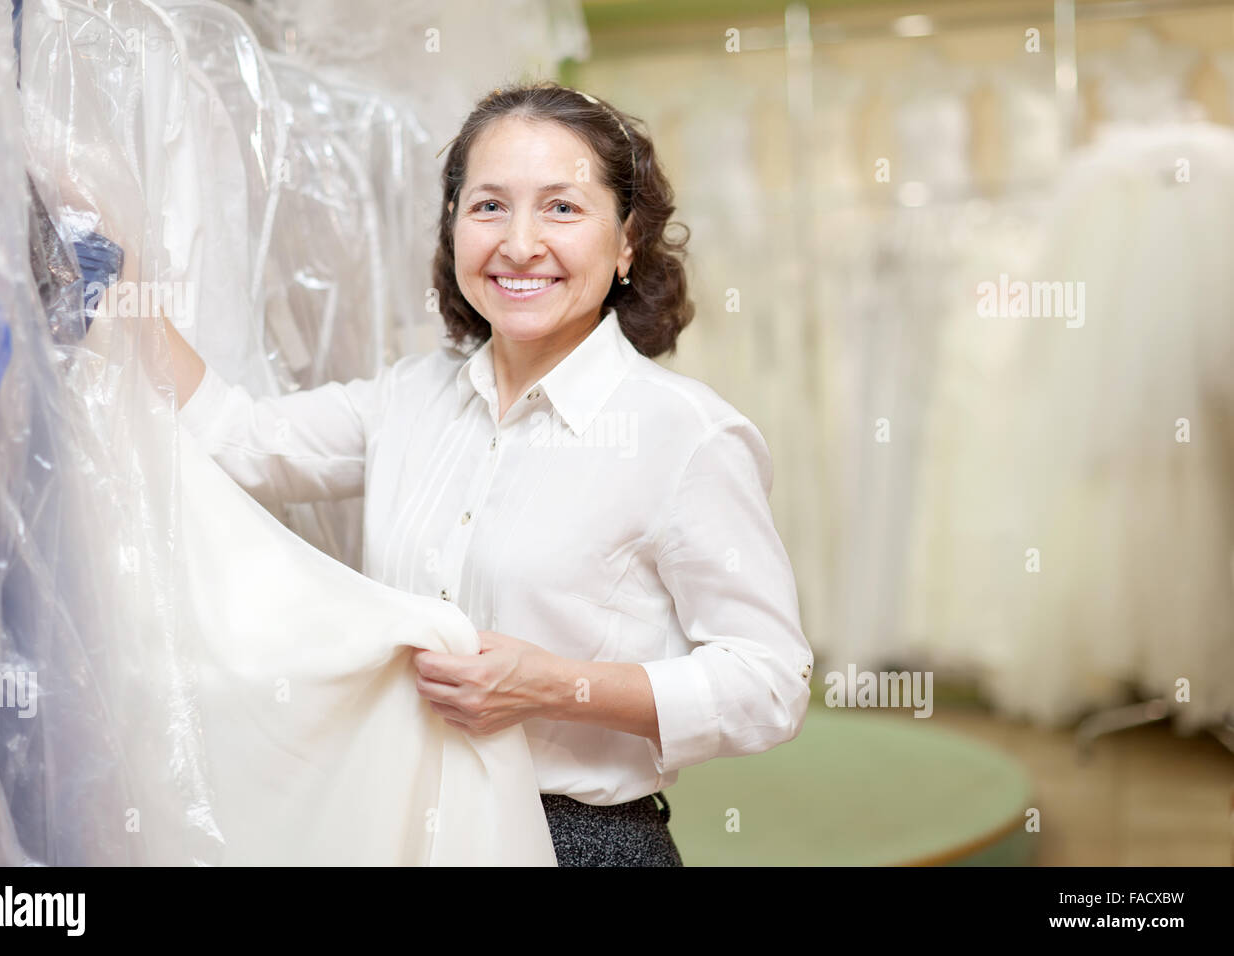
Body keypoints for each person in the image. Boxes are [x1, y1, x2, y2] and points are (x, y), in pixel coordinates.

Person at [165, 81, 814, 867]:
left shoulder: (687, 436)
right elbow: (238, 440)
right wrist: (115, 281)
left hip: (578, 841)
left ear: (627, 241)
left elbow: (769, 683)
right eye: (489, 207)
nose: (520, 243)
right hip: (407, 825)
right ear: (452, 227)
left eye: (563, 208)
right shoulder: (407, 398)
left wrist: (554, 685)